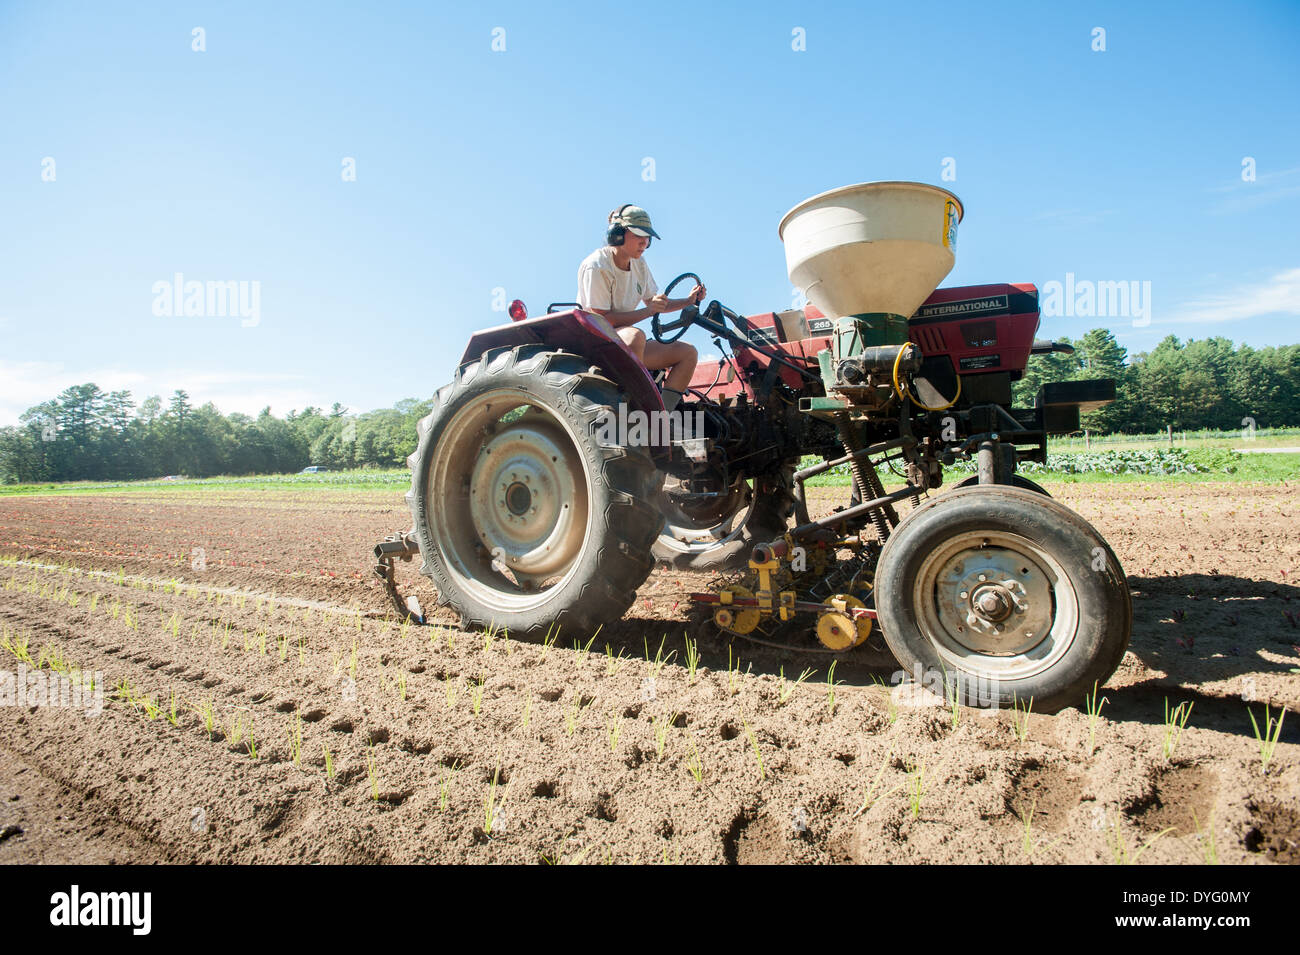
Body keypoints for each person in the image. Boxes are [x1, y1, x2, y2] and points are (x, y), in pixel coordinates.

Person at [576, 204, 704, 412]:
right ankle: (630, 413)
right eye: (638, 235)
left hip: (626, 344)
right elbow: (600, 320)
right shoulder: (597, 265)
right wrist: (649, 311)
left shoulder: (639, 264)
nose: (645, 242)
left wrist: (688, 301)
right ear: (617, 234)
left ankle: (659, 419)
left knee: (688, 352)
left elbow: (656, 303)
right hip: (598, 342)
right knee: (636, 337)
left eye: (648, 237)